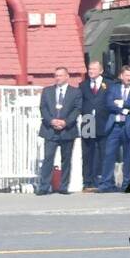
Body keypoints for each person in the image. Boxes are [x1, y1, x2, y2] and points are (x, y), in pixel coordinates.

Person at [37, 67, 82, 195]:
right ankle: (44, 187)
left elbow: (77, 109)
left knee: (66, 159)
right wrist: (52, 121)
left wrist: (65, 122)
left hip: (67, 131)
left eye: (61, 75)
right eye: (56, 75)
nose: (58, 78)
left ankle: (63, 186)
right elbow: (43, 108)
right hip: (50, 130)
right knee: (48, 158)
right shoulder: (47, 91)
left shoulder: (75, 92)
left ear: (67, 77)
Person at [97, 66, 130, 192]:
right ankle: (106, 184)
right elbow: (109, 104)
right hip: (115, 127)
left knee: (128, 157)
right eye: (127, 75)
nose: (129, 78)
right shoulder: (113, 88)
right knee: (109, 155)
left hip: (129, 127)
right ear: (121, 76)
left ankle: (126, 183)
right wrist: (125, 109)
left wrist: (121, 103)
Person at [79, 61, 111, 192]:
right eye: (89, 68)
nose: (90, 71)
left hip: (103, 122)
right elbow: (80, 102)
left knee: (103, 153)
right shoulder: (83, 85)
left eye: (94, 69)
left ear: (101, 71)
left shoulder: (109, 84)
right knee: (87, 153)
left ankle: (102, 180)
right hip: (87, 121)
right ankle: (87, 181)